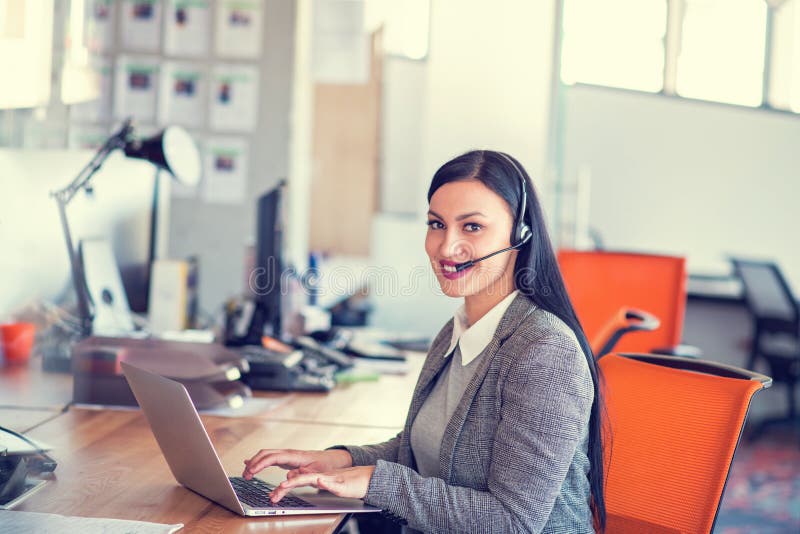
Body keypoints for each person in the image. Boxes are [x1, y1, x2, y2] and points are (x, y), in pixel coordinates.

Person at [243, 150, 606, 533]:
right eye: (437, 224)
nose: (446, 247)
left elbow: (511, 521)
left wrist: (374, 482)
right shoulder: (458, 330)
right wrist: (340, 461)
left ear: (520, 234)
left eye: (472, 227)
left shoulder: (545, 353)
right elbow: (421, 453)